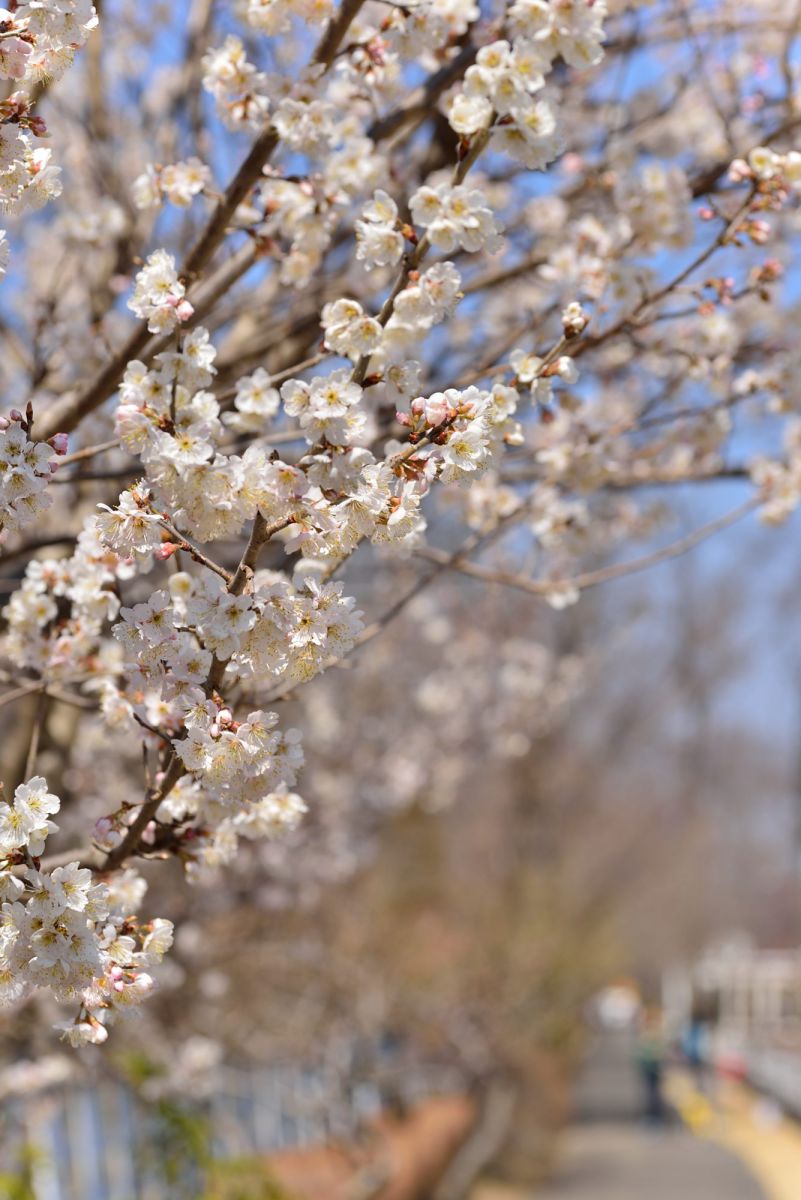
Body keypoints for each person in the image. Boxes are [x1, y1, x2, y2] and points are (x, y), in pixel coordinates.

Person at [635, 1010, 667, 1124]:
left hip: (652, 1067)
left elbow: (657, 1051)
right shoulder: (652, 1032)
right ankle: (653, 1116)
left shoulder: (651, 1033)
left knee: (652, 1093)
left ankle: (654, 1116)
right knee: (652, 1093)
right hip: (650, 1067)